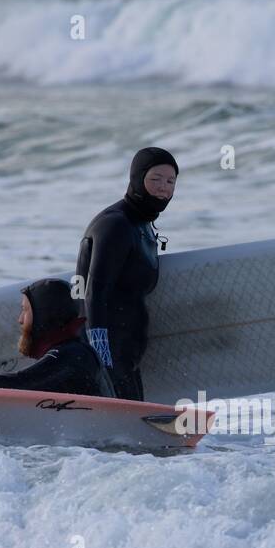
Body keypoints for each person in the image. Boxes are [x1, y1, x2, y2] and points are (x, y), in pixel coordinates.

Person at [76, 146, 178, 401]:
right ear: (137, 178)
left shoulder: (142, 225)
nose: (164, 188)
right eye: (155, 179)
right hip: (108, 350)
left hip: (127, 350)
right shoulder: (116, 225)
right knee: (122, 432)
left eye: (170, 181)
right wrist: (101, 353)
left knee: (128, 434)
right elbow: (94, 293)